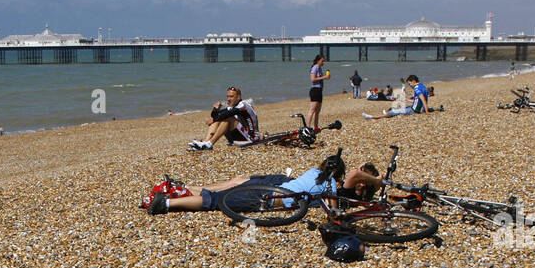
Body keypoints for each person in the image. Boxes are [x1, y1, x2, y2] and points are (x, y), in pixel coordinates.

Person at [146, 150, 384, 214]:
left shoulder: (342, 190)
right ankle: (170, 200)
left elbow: (353, 174)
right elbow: (353, 174)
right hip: (273, 195)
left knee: (218, 199)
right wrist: (377, 182)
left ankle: (167, 203)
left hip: (271, 198)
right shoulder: (334, 186)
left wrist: (377, 182)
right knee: (220, 197)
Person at [187, 86, 260, 150]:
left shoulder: (243, 105)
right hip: (241, 136)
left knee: (227, 118)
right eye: (227, 96)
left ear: (238, 97)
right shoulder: (233, 106)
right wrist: (215, 110)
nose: (228, 99)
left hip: (251, 138)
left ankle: (210, 144)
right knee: (219, 118)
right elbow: (217, 116)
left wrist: (215, 118)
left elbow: (228, 114)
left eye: (231, 96)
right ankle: (205, 142)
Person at [307, 54, 331, 132]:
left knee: (318, 111)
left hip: (320, 90)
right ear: (318, 61)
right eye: (322, 61)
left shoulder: (320, 68)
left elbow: (319, 78)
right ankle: (308, 126)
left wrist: (326, 77)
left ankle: (316, 126)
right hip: (315, 90)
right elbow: (313, 79)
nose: (323, 62)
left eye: (324, 61)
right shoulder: (315, 67)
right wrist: (324, 77)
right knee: (312, 109)